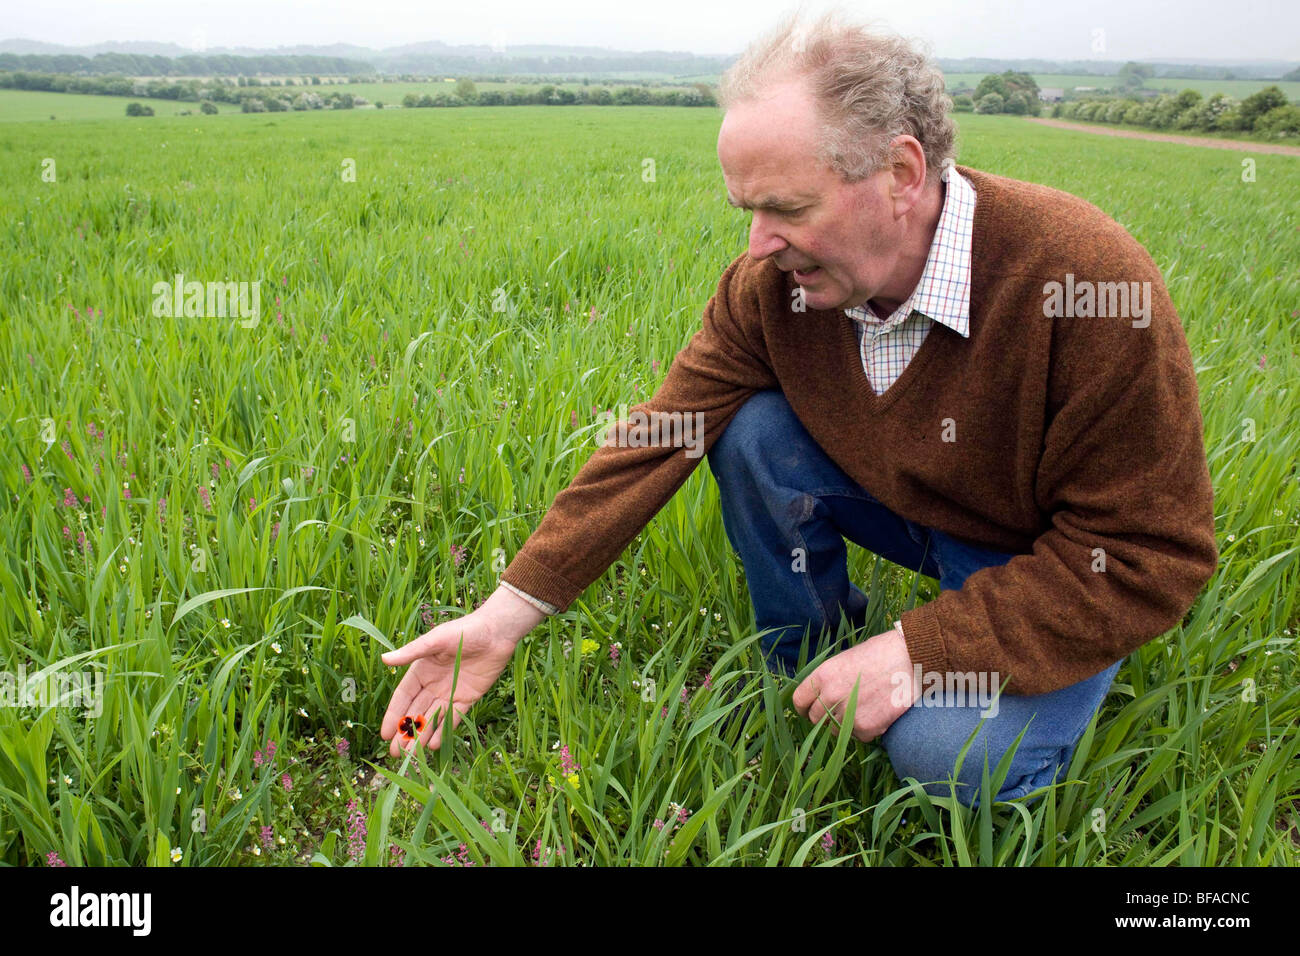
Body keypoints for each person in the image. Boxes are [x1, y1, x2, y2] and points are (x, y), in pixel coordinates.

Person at [380, 10, 1217, 807]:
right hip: (919, 512)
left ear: (900, 173)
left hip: (1049, 559)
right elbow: (658, 437)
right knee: (749, 431)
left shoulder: (1085, 284)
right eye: (749, 211)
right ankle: (808, 670)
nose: (758, 245)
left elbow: (1149, 553)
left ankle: (988, 680)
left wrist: (922, 652)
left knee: (948, 763)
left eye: (786, 208)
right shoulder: (772, 293)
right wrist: (504, 615)